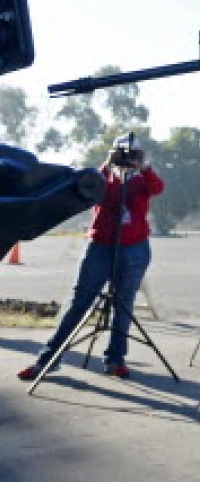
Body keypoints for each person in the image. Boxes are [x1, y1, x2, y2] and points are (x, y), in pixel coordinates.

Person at [18, 134, 164, 381]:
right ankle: (48, 359)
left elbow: (158, 188)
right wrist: (107, 165)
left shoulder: (143, 178)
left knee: (124, 304)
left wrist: (144, 166)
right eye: (122, 153)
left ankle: (115, 360)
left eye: (132, 154)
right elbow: (85, 189)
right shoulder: (102, 177)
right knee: (79, 302)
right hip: (100, 246)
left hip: (134, 246)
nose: (127, 158)